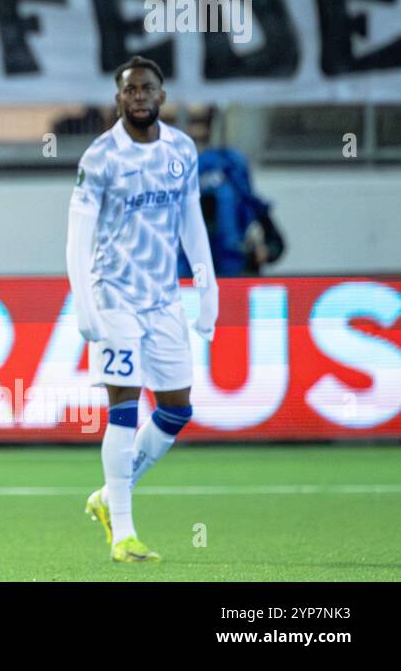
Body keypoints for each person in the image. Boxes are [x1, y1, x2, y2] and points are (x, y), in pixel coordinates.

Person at [66, 56, 219, 563]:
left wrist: (207, 281)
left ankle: (110, 497)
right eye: (129, 89)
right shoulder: (100, 156)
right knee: (125, 410)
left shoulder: (181, 149)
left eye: (146, 88)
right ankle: (123, 535)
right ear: (119, 99)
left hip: (164, 299)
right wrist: (84, 302)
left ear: (161, 95)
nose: (138, 96)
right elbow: (78, 236)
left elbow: (191, 219)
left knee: (177, 409)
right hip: (114, 296)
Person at [176, 107, 283, 279]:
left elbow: (274, 242)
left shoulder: (231, 166)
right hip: (186, 278)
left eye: (203, 121)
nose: (198, 130)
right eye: (193, 121)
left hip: (232, 273)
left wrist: (262, 251)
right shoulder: (168, 169)